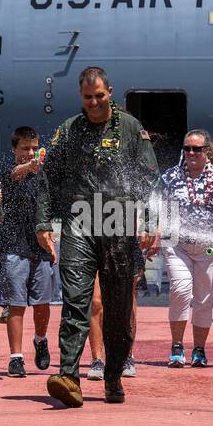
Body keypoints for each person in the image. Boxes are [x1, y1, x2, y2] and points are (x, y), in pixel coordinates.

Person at [42, 66, 158, 407]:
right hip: (79, 220)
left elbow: (149, 178)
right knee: (76, 300)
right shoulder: (69, 131)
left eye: (99, 96)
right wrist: (42, 223)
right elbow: (49, 177)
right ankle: (68, 376)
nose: (93, 103)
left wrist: (150, 220)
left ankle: (113, 376)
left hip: (118, 220)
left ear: (110, 93)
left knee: (118, 307)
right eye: (87, 97)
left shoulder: (131, 129)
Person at [158, 129, 213, 367]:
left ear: (207, 151)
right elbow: (164, 210)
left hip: (209, 249)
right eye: (187, 148)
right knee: (181, 292)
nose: (191, 153)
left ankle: (199, 350)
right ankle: (176, 346)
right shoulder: (171, 177)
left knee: (203, 300)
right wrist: (158, 232)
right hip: (178, 246)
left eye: (197, 149)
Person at [0, 127, 58, 377]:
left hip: (41, 247)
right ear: (15, 149)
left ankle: (40, 340)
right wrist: (27, 167)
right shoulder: (9, 172)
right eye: (24, 148)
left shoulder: (44, 175)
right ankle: (16, 357)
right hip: (14, 247)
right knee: (16, 304)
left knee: (42, 303)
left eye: (34, 148)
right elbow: (15, 173)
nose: (30, 153)